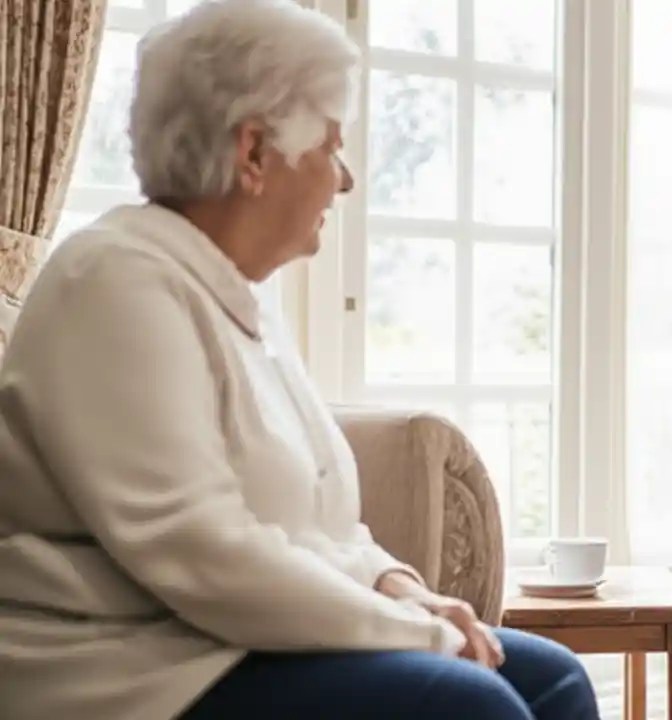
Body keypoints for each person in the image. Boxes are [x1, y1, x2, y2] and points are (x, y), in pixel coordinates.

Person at [0, 2, 598, 719]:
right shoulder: (112, 283)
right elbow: (200, 551)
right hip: (131, 669)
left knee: (553, 678)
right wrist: (417, 634)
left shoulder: (238, 297)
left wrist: (398, 587)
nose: (345, 180)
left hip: (229, 643)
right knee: (471, 704)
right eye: (331, 147)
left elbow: (315, 526)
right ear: (254, 153)